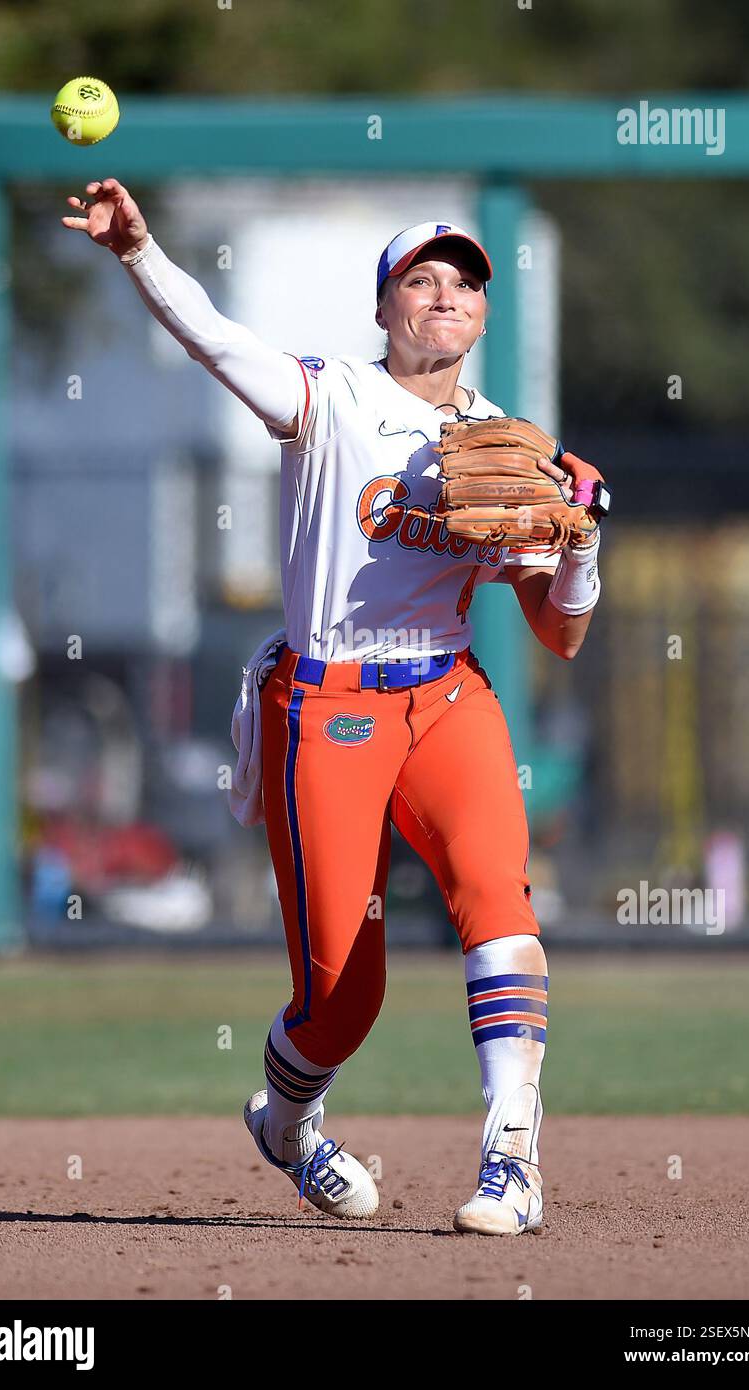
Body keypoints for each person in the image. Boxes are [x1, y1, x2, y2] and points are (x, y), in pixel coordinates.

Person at [62, 181, 603, 1235]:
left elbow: (560, 627)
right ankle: (287, 1120)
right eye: (420, 279)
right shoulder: (327, 397)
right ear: (385, 307)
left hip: (446, 696)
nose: (443, 297)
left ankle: (511, 1157)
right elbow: (211, 336)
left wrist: (579, 548)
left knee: (498, 898)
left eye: (462, 284)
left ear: (483, 315)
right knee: (341, 996)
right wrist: (137, 252)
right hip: (328, 709)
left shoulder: (507, 447)